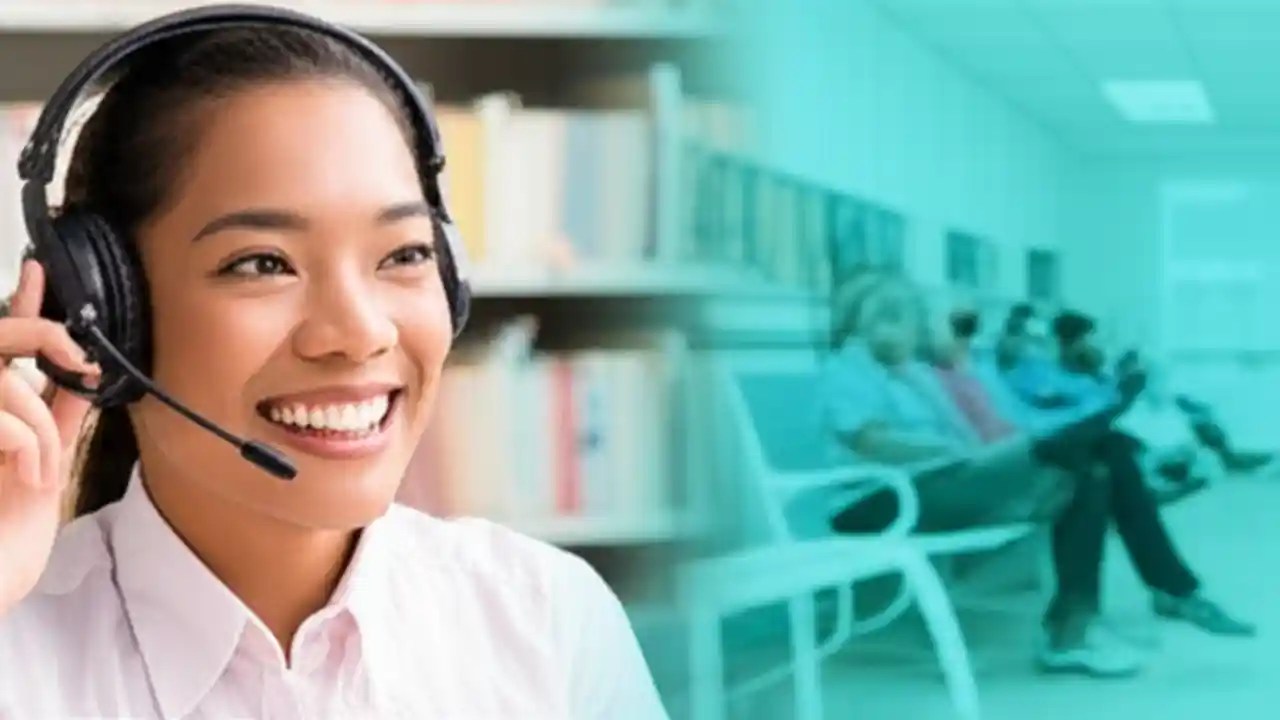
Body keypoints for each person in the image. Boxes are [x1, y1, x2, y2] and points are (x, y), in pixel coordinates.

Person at [0, 10, 667, 720]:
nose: (358, 332)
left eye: (403, 255)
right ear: (103, 310)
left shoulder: (548, 624)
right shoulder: (16, 643)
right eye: (262, 263)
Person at [823, 274, 1251, 680]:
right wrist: (956, 448)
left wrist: (939, 411)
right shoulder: (848, 366)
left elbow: (960, 431)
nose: (914, 332)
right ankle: (1138, 602)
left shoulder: (906, 372)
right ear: (862, 324)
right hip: (879, 500)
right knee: (1090, 449)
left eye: (914, 321)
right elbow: (871, 442)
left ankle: (1082, 627)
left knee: (1099, 465)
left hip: (938, 483)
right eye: (902, 321)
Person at [935, 306, 1254, 640]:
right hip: (994, 464)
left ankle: (1158, 593)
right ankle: (1148, 597)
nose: (1021, 341)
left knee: (1111, 449)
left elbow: (1018, 419)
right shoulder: (954, 375)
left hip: (1017, 449)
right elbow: (995, 430)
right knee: (1099, 461)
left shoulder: (974, 371)